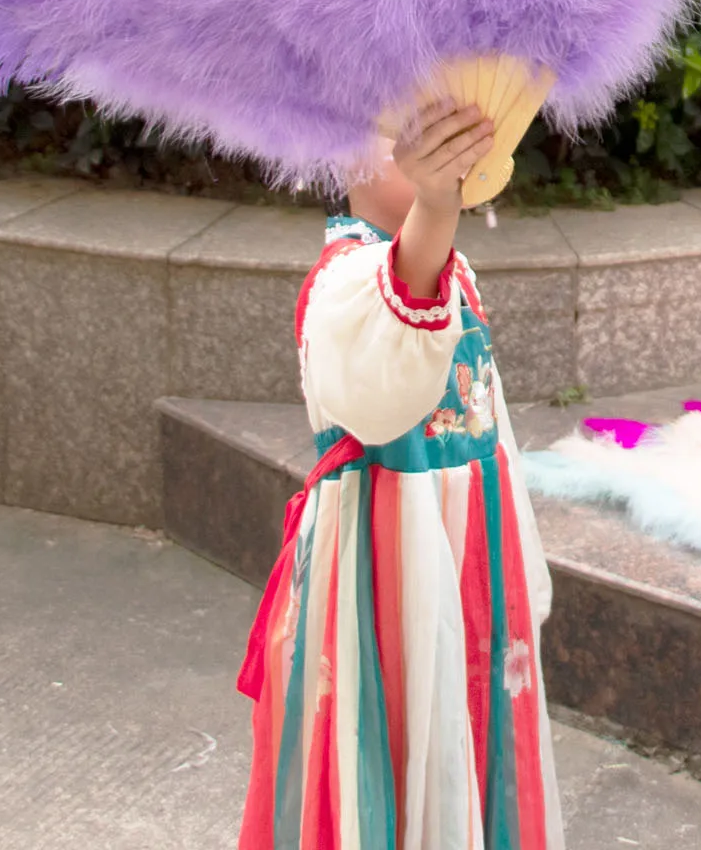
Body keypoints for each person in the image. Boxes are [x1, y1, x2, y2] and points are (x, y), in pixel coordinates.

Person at [238, 101, 564, 850]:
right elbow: (382, 394)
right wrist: (436, 207)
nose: (432, 149)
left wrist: (524, 580)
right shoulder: (346, 283)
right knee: (390, 751)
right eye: (402, 136)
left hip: (471, 557)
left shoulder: (450, 269)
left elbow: (495, 428)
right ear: (338, 158)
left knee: (470, 739)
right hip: (385, 573)